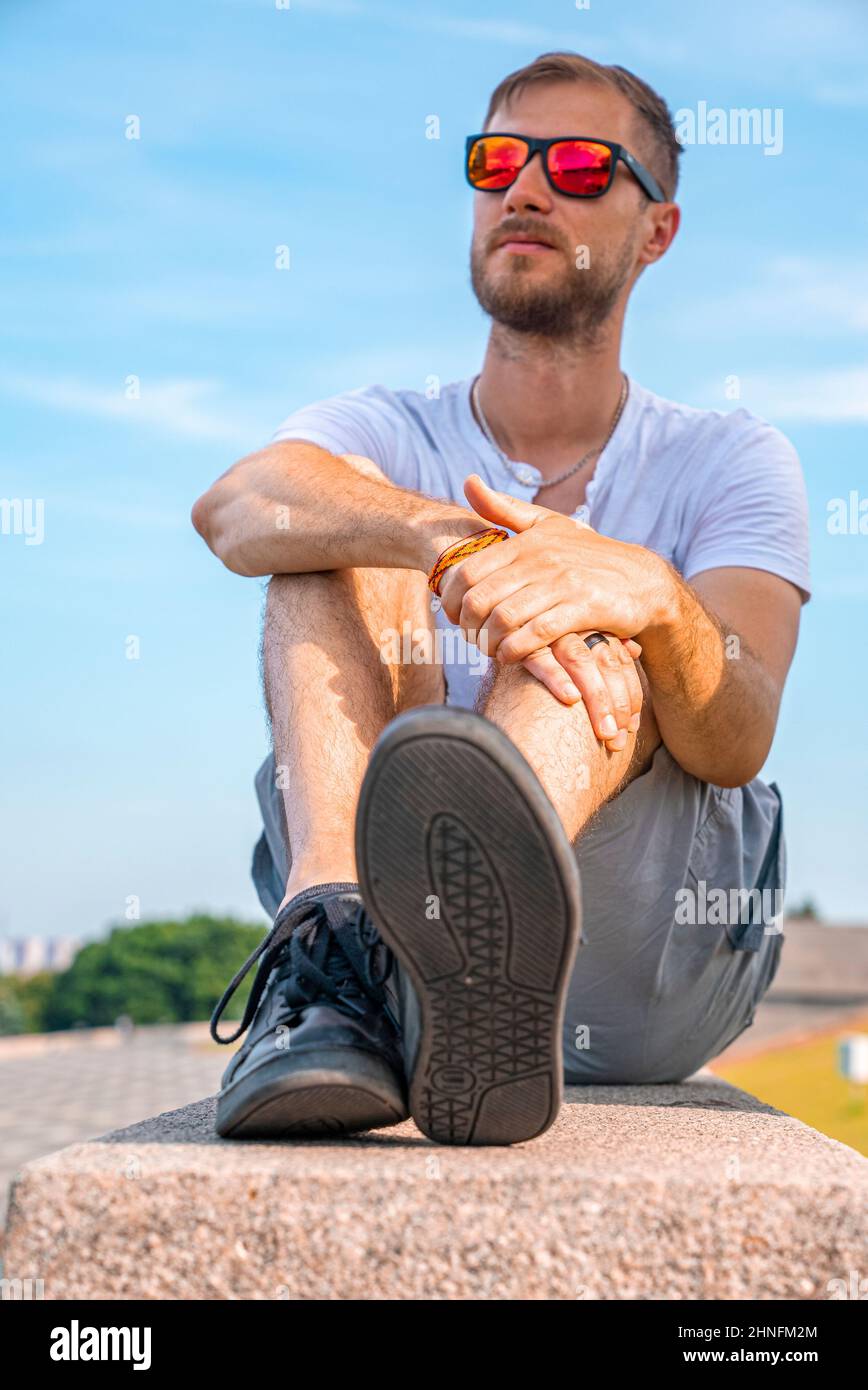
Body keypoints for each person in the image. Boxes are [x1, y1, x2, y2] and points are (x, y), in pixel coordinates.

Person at [192, 52, 809, 1147]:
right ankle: (347, 951)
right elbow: (236, 507)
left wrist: (651, 601)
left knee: (605, 628)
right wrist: (444, 537)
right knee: (327, 539)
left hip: (646, 959)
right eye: (497, 161)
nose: (525, 189)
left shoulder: (731, 455)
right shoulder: (389, 426)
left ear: (655, 230)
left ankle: (462, 932)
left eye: (576, 166)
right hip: (374, 966)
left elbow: (739, 734)